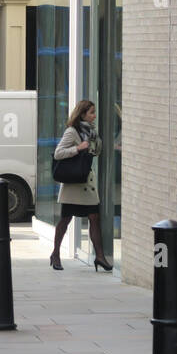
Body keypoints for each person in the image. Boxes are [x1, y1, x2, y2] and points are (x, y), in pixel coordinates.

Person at [49, 99, 110, 272]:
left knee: (94, 218)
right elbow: (59, 153)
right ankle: (55, 254)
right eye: (91, 112)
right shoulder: (72, 131)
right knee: (65, 220)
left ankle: (100, 257)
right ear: (82, 114)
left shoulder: (91, 131)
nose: (94, 115)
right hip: (73, 184)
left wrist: (94, 141)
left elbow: (96, 152)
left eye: (94, 111)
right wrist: (78, 148)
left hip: (86, 181)